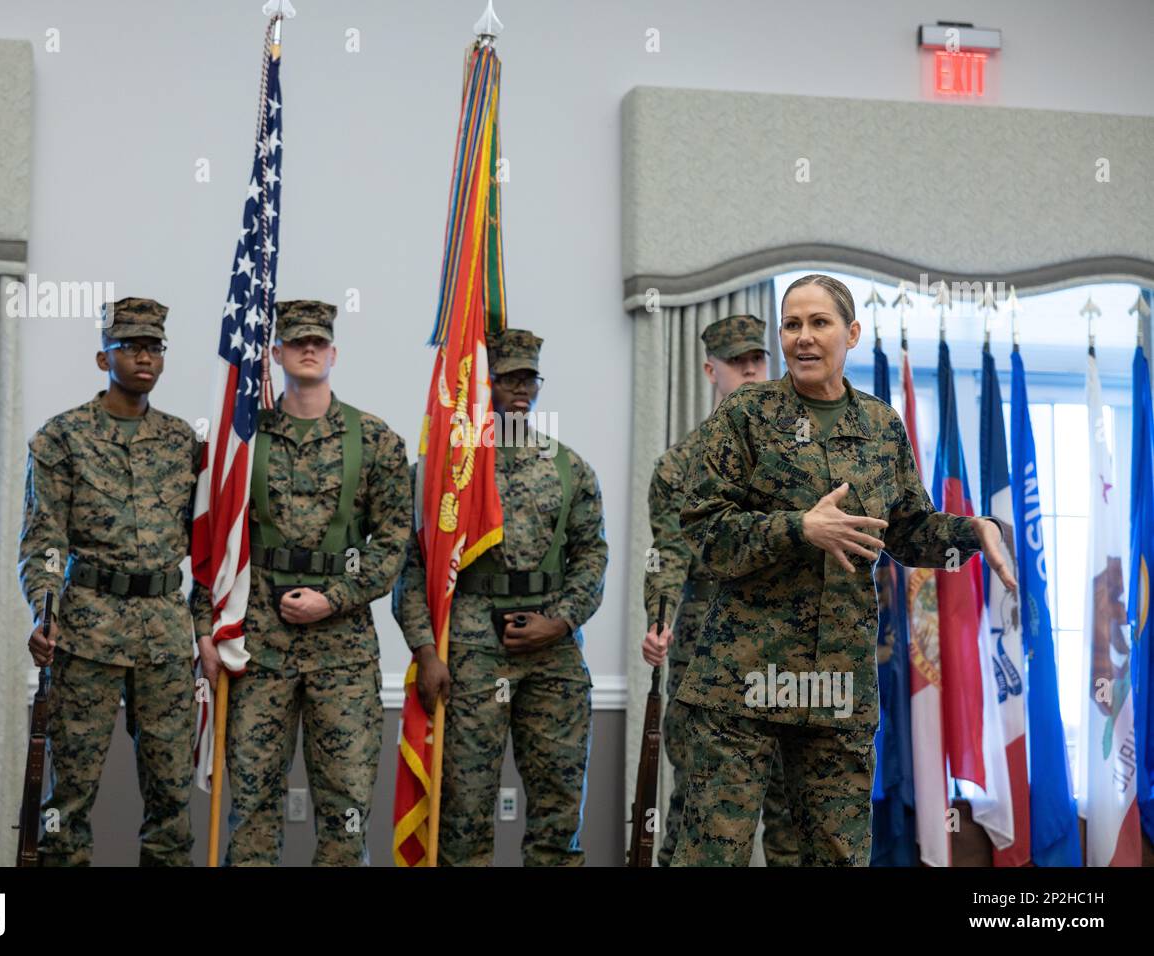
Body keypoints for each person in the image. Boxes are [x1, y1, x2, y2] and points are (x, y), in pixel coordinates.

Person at [672, 274, 1015, 866]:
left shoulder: (881, 428)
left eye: (819, 323)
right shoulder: (746, 415)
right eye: (792, 325)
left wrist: (975, 532)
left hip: (836, 685)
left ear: (851, 334)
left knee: (837, 858)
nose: (803, 338)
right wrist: (798, 528)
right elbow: (705, 532)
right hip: (742, 681)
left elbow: (909, 533)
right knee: (712, 856)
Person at [192, 300, 411, 866]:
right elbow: (213, 545)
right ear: (276, 354)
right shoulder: (242, 440)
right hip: (256, 646)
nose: (308, 350)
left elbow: (392, 545)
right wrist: (204, 632)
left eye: (319, 342)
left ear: (334, 353)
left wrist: (332, 598)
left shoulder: (377, 440)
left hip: (343, 652)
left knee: (346, 808)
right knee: (254, 804)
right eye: (296, 342)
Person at [393, 328, 608, 865]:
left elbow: (592, 556)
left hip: (553, 651)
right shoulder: (443, 473)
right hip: (470, 648)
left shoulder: (568, 467)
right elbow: (411, 570)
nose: (519, 388)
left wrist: (558, 622)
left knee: (559, 808)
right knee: (463, 810)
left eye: (528, 378)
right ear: (481, 383)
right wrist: (425, 651)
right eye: (507, 377)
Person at [19, 296, 199, 866]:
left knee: (172, 794)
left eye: (154, 347)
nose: (145, 357)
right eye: (131, 346)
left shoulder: (183, 444)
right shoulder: (62, 438)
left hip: (165, 634)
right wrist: (42, 613)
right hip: (88, 630)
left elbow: (209, 540)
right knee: (69, 796)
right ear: (104, 358)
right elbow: (44, 538)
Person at [641, 314, 797, 867]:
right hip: (708, 648)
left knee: (792, 806)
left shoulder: (801, 454)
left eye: (758, 358)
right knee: (699, 802)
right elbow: (669, 552)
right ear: (712, 370)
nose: (751, 369)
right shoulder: (680, 465)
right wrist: (658, 617)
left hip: (790, 649)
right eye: (738, 362)